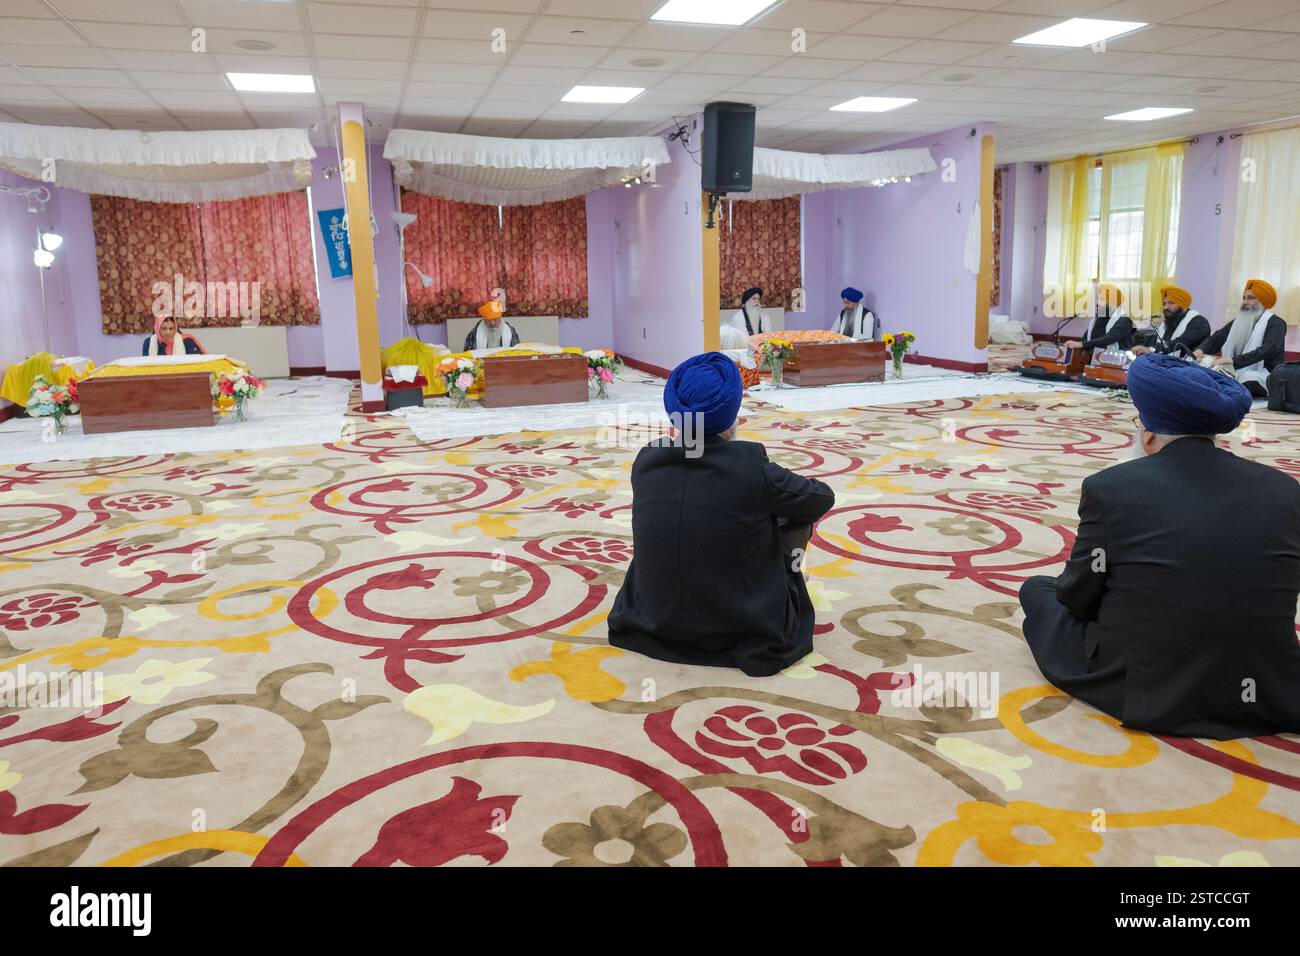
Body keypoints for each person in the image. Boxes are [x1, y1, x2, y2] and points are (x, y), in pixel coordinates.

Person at [1018, 353, 1300, 738]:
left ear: (1148, 435)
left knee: (1037, 590)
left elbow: (1077, 596)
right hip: (1265, 682)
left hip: (1151, 683)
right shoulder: (1285, 489)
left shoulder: (1110, 487)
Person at [607, 352, 836, 676]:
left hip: (650, 620)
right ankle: (784, 577)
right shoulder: (751, 468)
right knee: (786, 510)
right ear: (732, 413)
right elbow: (820, 499)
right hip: (743, 629)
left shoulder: (647, 462)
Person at [1194, 279, 1287, 399]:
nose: (1245, 302)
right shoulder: (1238, 321)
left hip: (1264, 374)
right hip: (1237, 371)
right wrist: (1200, 350)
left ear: (1263, 301)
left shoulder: (1276, 323)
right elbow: (1216, 338)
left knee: (1247, 379)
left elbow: (1267, 349)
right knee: (1204, 373)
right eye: (1244, 297)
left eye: (1251, 298)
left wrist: (1233, 360)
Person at [1131, 285, 1209, 357]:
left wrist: (1151, 349)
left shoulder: (1199, 323)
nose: (1165, 307)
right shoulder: (1170, 322)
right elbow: (1160, 343)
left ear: (1183, 304)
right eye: (1164, 303)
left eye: (1171, 303)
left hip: (1190, 368)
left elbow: (1180, 343)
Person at [1064, 282, 1133, 355]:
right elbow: (1088, 339)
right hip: (1094, 359)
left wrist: (1081, 344)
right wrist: (1074, 344)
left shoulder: (1124, 320)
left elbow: (1109, 338)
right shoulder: (1099, 318)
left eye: (1102, 300)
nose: (1097, 303)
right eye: (1098, 299)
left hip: (1117, 362)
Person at [142, 315, 206, 356]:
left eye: (171, 328)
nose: (168, 332)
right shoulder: (149, 343)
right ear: (157, 329)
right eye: (164, 328)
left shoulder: (187, 341)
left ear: (175, 328)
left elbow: (197, 362)